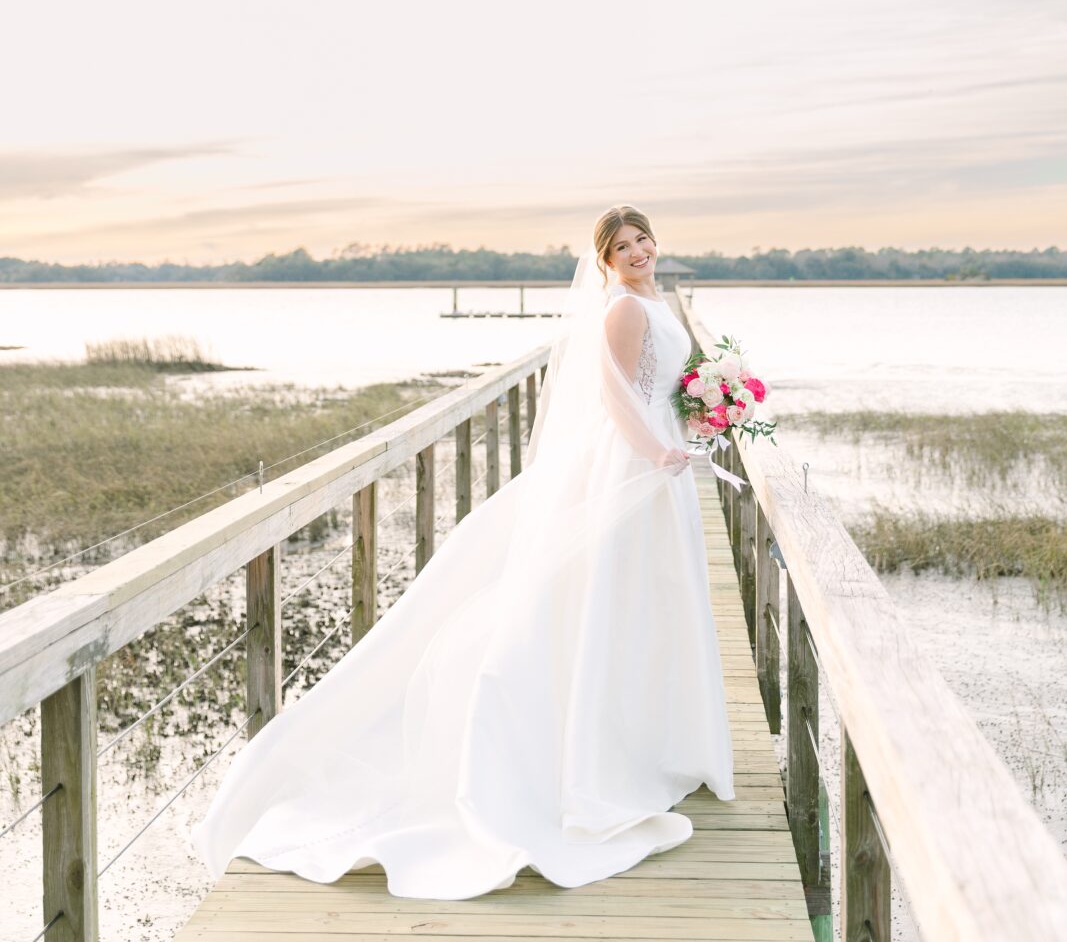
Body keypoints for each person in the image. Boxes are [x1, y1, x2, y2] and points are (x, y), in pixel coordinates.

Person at [190, 204, 737, 899]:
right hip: (633, 463)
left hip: (662, 460)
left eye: (642, 239)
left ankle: (649, 741)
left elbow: (662, 385)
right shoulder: (622, 311)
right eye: (621, 246)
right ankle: (598, 753)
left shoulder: (656, 300)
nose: (637, 251)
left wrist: (709, 409)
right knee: (615, 594)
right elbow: (613, 396)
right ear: (602, 260)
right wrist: (658, 448)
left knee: (653, 595)